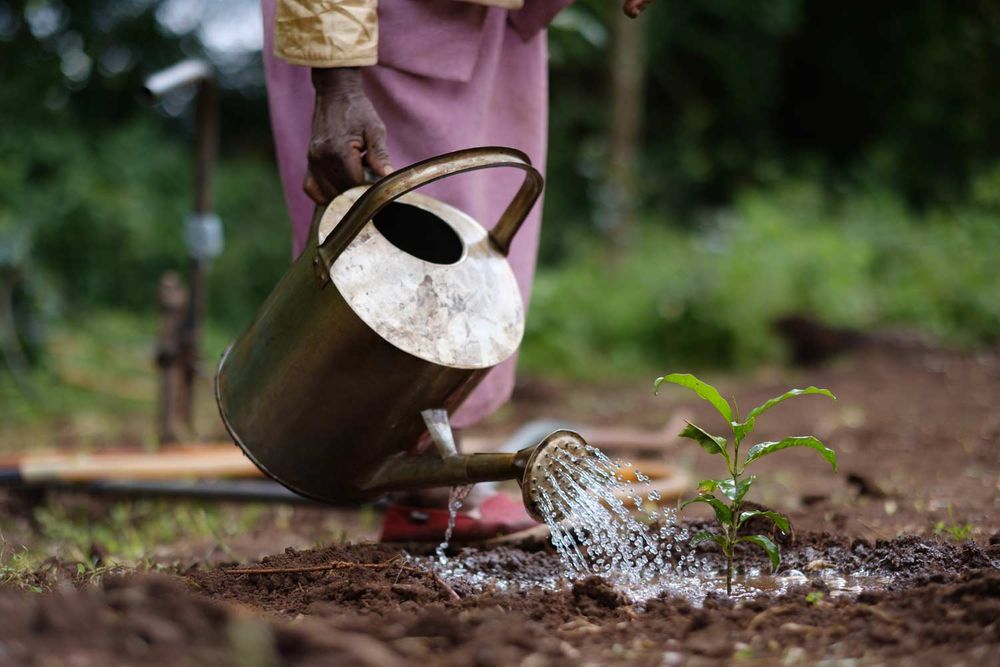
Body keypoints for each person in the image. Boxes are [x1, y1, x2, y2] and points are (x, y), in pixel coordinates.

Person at [262, 0, 651, 540]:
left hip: (493, 20)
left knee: (473, 252)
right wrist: (337, 82)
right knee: (391, 254)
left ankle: (428, 473)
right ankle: (416, 479)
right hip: (371, 29)